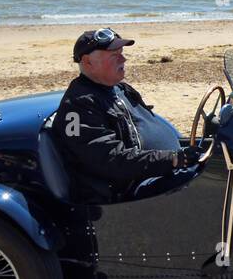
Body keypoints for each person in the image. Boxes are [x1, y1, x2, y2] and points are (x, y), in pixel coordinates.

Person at [50, 28, 200, 203]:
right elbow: (110, 160)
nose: (123, 59)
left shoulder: (120, 89)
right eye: (114, 56)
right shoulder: (77, 107)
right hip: (129, 188)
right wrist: (173, 159)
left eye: (121, 53)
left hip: (160, 168)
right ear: (87, 62)